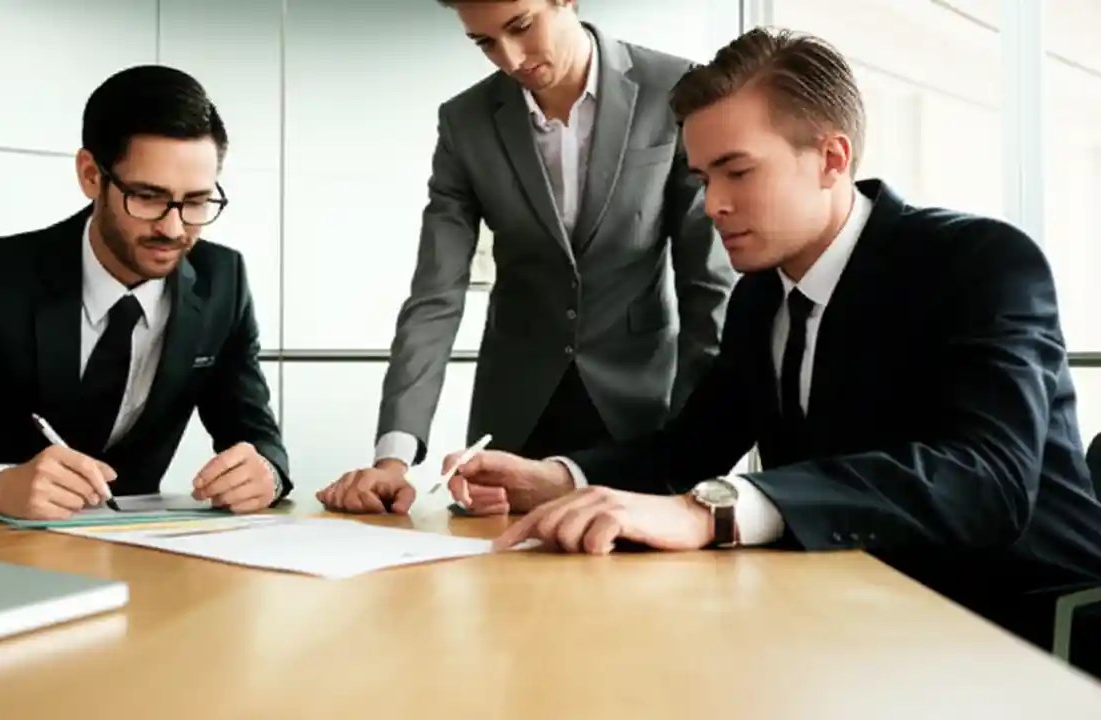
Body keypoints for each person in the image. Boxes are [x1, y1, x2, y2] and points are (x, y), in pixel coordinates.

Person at [454, 27, 1101, 667]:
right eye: (704, 177)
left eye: (737, 172)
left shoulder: (980, 263)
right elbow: (690, 448)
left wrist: (720, 512)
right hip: (849, 613)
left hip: (1023, 631)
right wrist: (558, 478)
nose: (712, 205)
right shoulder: (762, 296)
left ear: (832, 158)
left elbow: (987, 479)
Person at [317, 0, 735, 515]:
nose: (510, 58)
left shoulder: (674, 89)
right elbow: (435, 295)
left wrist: (693, 440)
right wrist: (393, 457)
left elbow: (709, 285)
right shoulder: (464, 122)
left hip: (644, 411)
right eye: (485, 42)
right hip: (513, 419)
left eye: (521, 26)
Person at [0, 65, 290, 521]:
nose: (174, 229)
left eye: (196, 201)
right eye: (148, 197)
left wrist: (266, 473)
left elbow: (257, 436)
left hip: (147, 554)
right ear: (91, 175)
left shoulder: (222, 279)